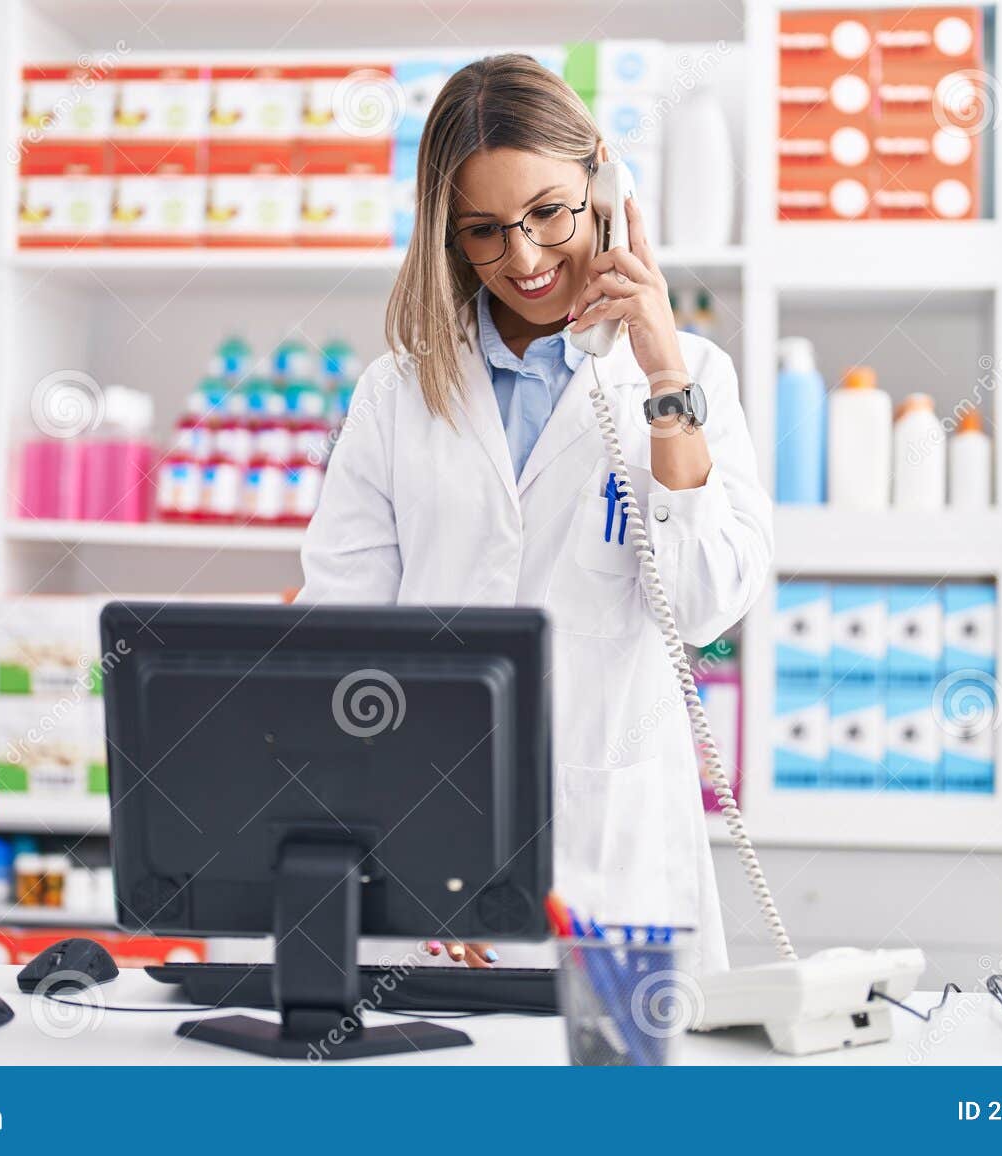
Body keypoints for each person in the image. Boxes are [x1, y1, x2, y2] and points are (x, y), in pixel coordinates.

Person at [298, 54, 771, 973]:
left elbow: (708, 605)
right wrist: (415, 844)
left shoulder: (693, 377)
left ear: (604, 179)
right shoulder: (394, 396)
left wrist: (663, 377)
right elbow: (341, 641)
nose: (523, 257)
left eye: (548, 212)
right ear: (446, 233)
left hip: (621, 870)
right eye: (483, 229)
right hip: (432, 869)